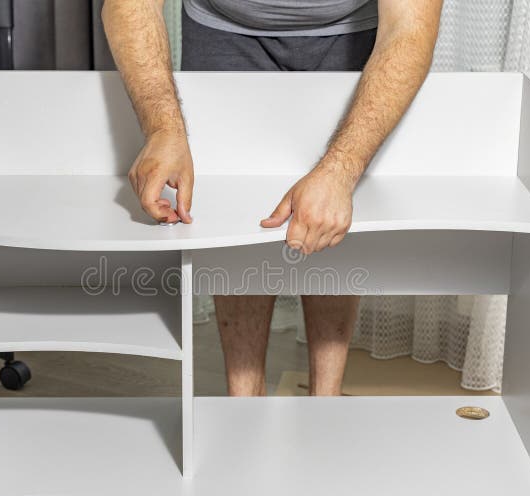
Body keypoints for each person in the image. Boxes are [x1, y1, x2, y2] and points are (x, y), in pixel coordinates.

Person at [103, 0, 443, 396]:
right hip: (225, 23)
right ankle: (244, 401)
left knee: (328, 205)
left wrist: (339, 170)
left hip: (350, 26)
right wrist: (162, 128)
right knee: (237, 211)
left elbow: (411, 26)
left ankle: (325, 399)